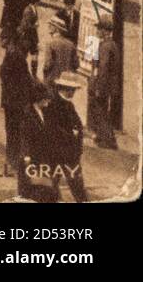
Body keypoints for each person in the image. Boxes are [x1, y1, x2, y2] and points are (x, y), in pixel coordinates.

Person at [47, 75, 89, 202]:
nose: (73, 92)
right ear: (64, 88)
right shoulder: (54, 104)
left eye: (74, 89)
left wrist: (80, 132)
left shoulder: (68, 104)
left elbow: (78, 124)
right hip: (59, 151)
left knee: (71, 183)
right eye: (72, 89)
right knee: (63, 183)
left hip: (70, 152)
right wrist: (72, 134)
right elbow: (53, 128)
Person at [0, 39, 35, 167]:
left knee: (12, 131)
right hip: (17, 102)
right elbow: (25, 80)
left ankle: (11, 161)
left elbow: (4, 75)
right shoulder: (18, 58)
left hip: (9, 101)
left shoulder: (10, 56)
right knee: (17, 132)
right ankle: (14, 162)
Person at [87, 17, 119, 149]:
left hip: (102, 85)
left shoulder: (106, 46)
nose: (97, 30)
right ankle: (103, 138)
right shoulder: (112, 45)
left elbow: (103, 68)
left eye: (99, 28)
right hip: (108, 86)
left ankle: (108, 141)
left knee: (100, 112)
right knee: (103, 111)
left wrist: (98, 87)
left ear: (105, 31)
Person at [42, 18, 77, 90]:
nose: (49, 27)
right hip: (66, 82)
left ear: (56, 29)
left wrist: (45, 76)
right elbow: (76, 64)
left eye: (51, 25)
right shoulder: (71, 45)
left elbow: (48, 64)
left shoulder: (50, 43)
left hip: (52, 81)